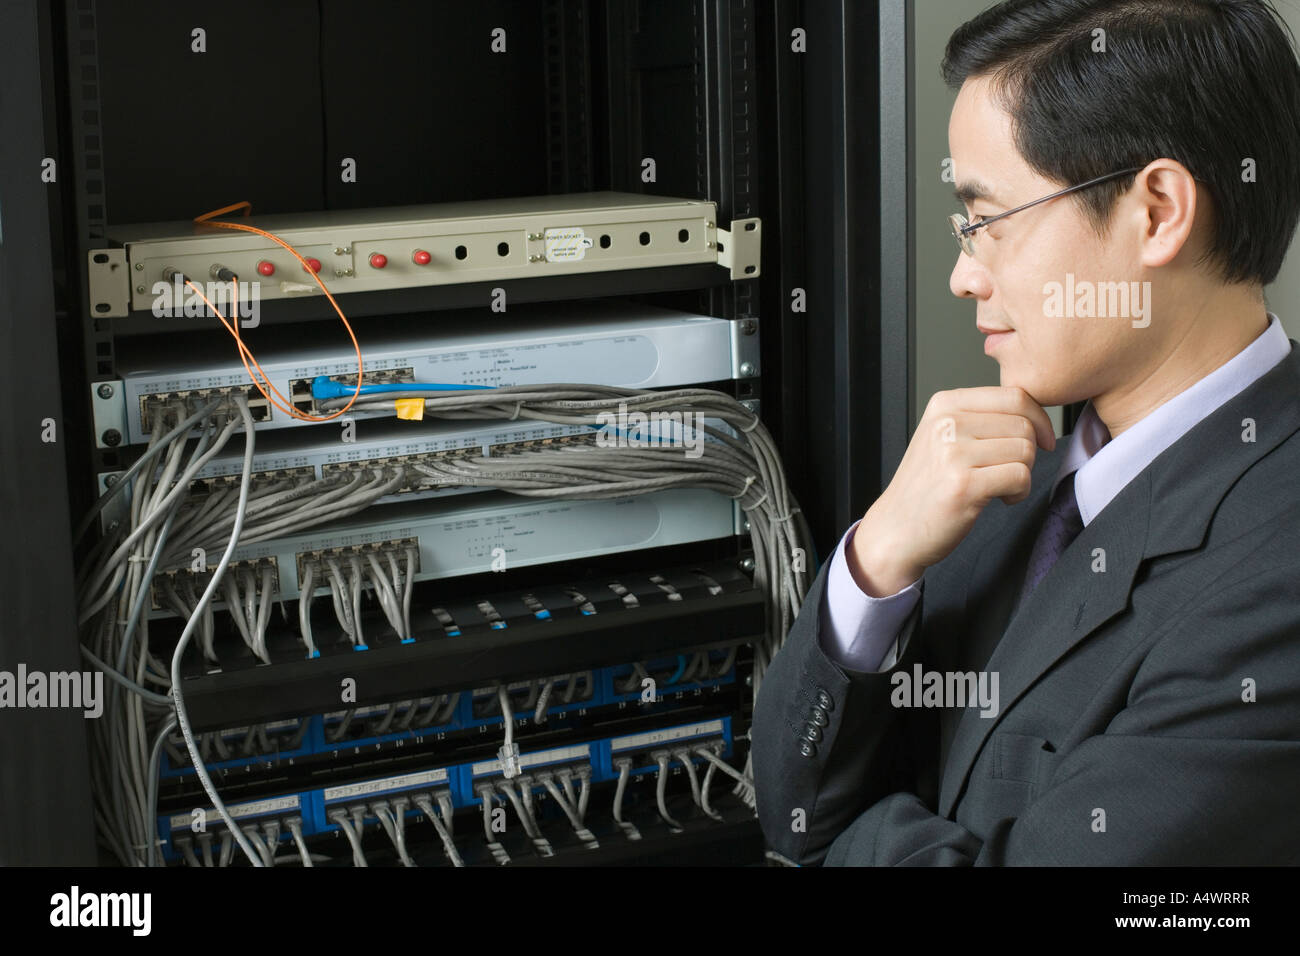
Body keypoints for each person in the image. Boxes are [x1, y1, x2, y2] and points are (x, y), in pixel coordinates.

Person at [752, 0, 1300, 865]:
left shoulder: (1278, 576)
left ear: (1157, 211)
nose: (965, 275)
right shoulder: (1004, 474)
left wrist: (846, 840)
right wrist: (876, 563)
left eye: (991, 222)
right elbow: (787, 812)